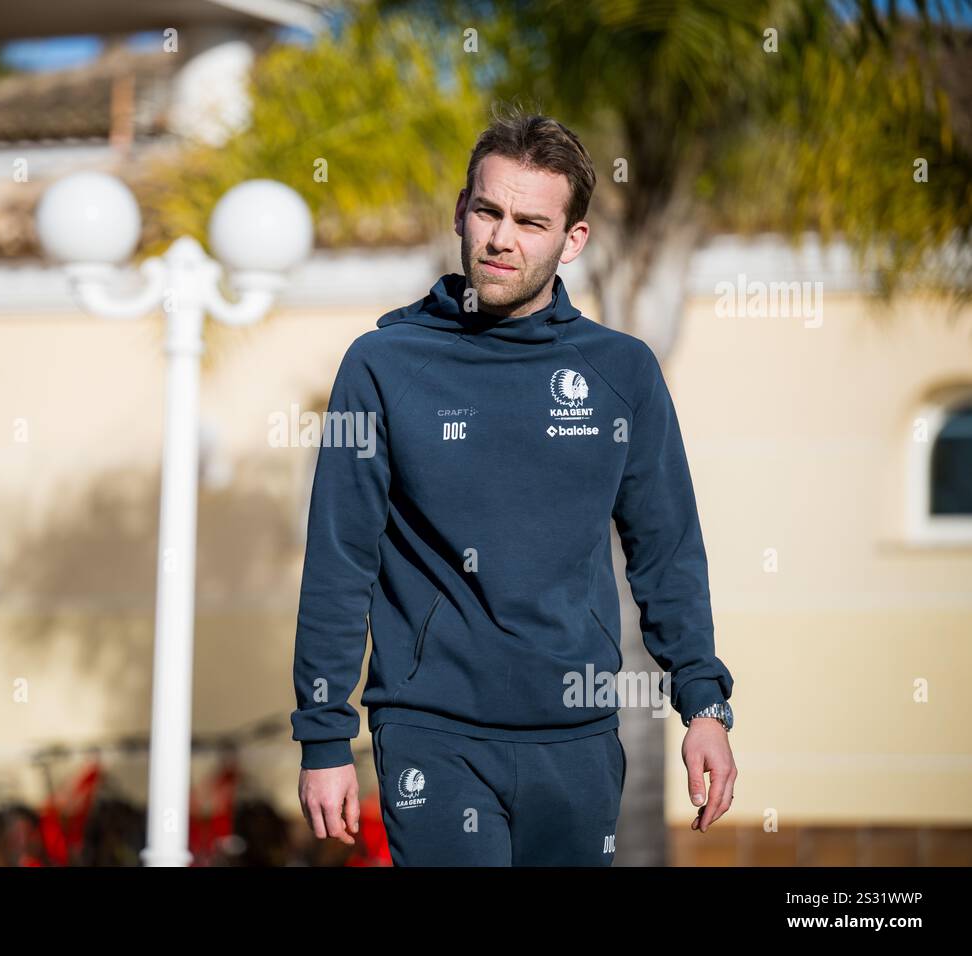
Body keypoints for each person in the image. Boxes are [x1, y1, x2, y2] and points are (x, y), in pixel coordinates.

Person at [289, 109, 737, 866]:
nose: (503, 238)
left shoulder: (621, 373)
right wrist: (324, 736)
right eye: (489, 211)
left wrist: (704, 702)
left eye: (532, 221)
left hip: (579, 735)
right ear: (462, 211)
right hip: (431, 731)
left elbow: (667, 553)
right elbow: (340, 560)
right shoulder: (380, 366)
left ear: (573, 241)